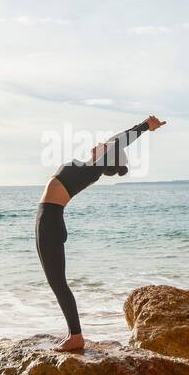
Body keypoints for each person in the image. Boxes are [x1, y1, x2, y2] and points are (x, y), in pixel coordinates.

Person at [36, 115, 166, 351]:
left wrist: (146, 126)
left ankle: (75, 336)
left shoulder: (93, 169)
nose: (101, 143)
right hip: (47, 220)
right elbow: (114, 141)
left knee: (58, 283)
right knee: (55, 281)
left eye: (105, 146)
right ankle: (74, 334)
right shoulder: (88, 166)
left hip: (51, 222)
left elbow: (121, 139)